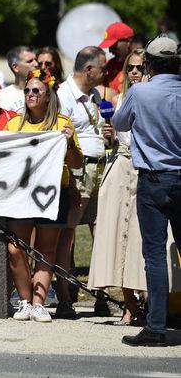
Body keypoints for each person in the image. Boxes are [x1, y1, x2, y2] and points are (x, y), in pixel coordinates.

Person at [114, 36, 181, 346]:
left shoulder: (140, 91)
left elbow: (120, 122)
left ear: (151, 65)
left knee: (154, 256)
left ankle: (156, 327)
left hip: (154, 179)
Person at [5, 69, 83, 322]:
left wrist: (69, 143)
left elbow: (77, 163)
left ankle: (39, 304)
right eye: (27, 90)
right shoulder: (14, 124)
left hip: (53, 192)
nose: (29, 94)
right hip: (21, 193)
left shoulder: (62, 123)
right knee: (16, 249)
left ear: (48, 96)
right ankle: (26, 300)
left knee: (45, 249)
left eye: (36, 90)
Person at [87, 49, 147, 326]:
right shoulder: (118, 99)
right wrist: (108, 135)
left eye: (141, 67)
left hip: (147, 170)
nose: (135, 71)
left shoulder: (156, 98)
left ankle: (150, 301)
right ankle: (129, 305)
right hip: (120, 165)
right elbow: (112, 142)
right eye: (131, 67)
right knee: (116, 236)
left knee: (143, 238)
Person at [55, 46, 108, 318]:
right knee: (68, 235)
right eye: (102, 67)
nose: (106, 72)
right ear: (89, 70)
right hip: (78, 170)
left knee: (101, 234)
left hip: (101, 167)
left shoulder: (96, 95)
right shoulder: (63, 95)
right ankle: (65, 297)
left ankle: (102, 296)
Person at [0, 46, 38, 114]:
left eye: (36, 60)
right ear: (15, 67)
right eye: (29, 61)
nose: (36, 64)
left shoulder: (45, 91)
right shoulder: (3, 95)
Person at [99, 22, 134, 93]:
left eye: (114, 45)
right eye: (109, 46)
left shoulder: (144, 65)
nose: (110, 50)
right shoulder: (109, 65)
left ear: (128, 42)